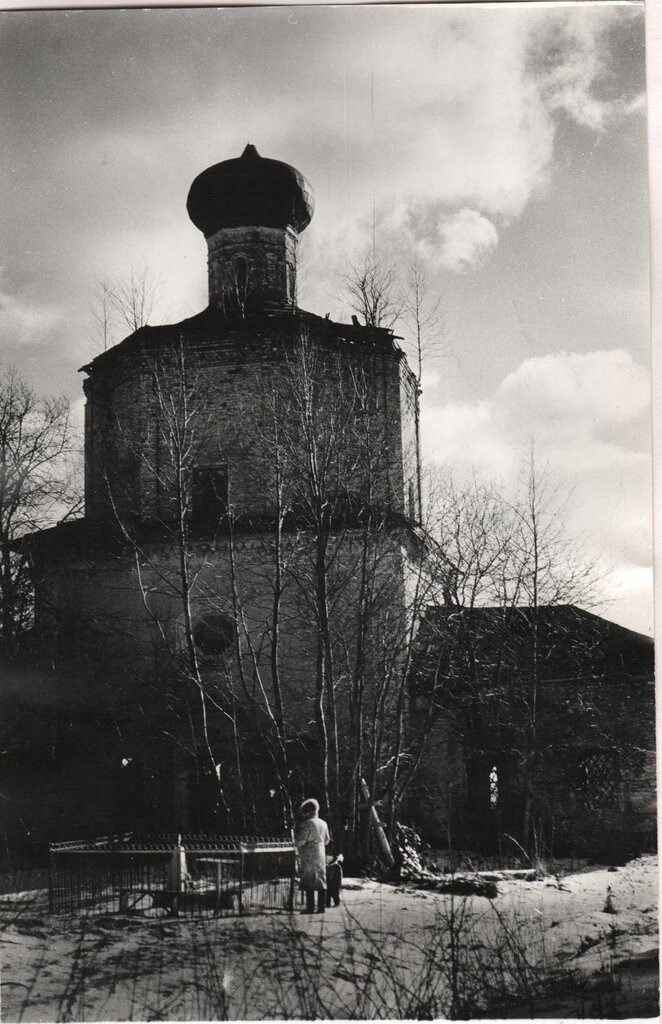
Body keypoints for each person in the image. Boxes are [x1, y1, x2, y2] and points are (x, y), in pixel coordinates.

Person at [294, 798, 330, 914]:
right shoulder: (323, 823)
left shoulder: (306, 824)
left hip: (309, 855)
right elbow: (327, 840)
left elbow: (302, 841)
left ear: (306, 811)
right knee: (321, 879)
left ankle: (310, 907)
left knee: (309, 880)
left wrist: (296, 844)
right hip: (321, 853)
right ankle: (321, 907)